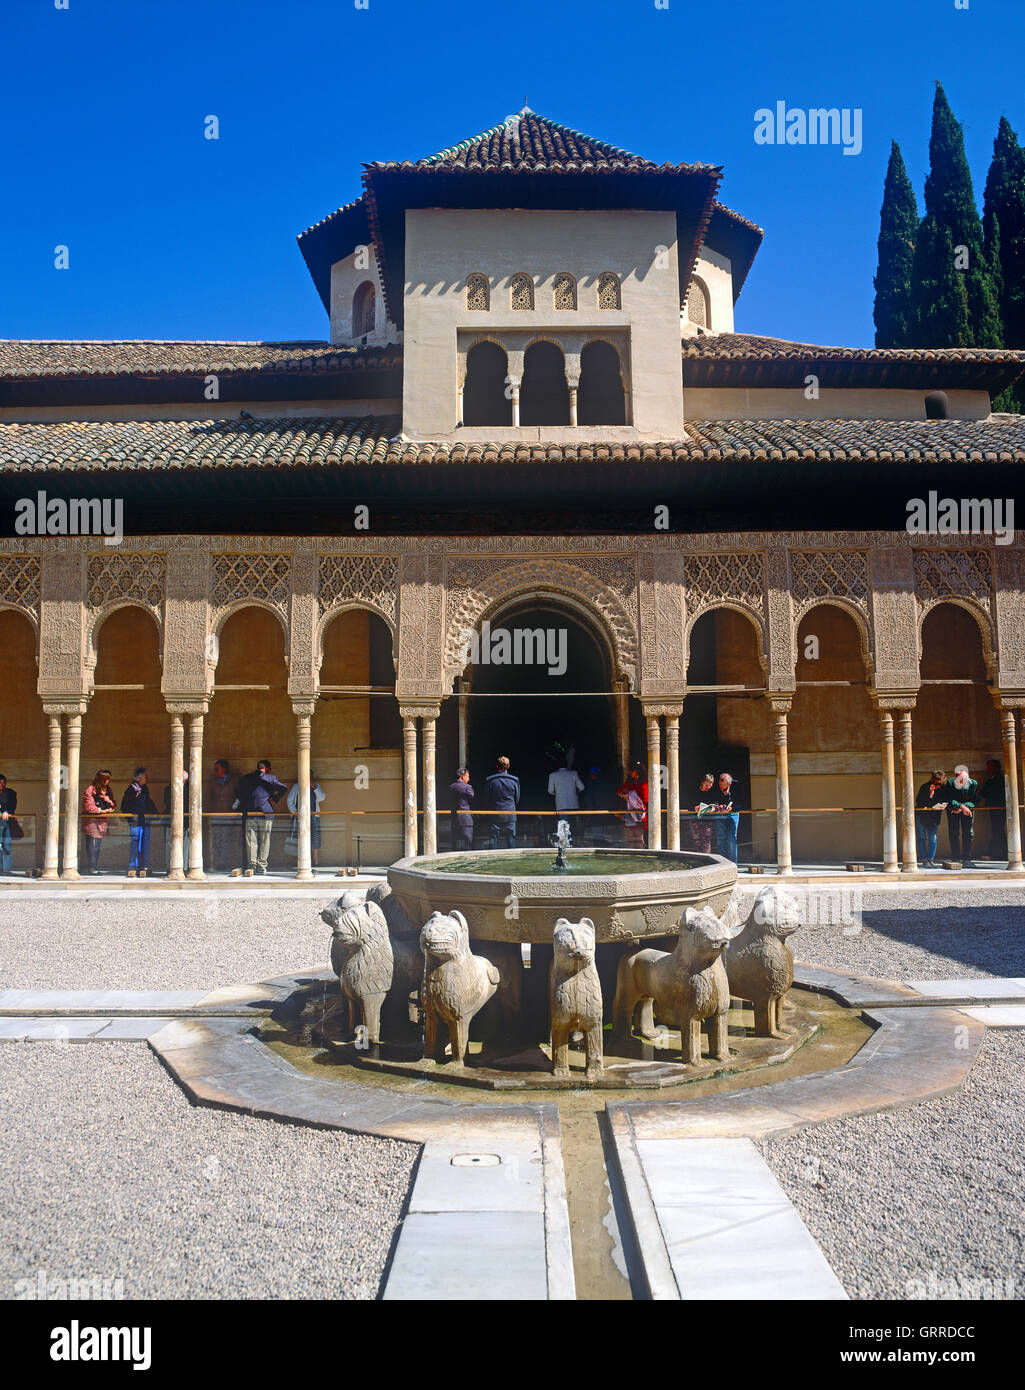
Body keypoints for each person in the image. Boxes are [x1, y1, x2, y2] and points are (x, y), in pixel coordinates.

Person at [235, 759, 287, 874]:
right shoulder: (270, 778)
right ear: (267, 768)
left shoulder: (247, 778)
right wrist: (274, 798)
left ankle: (251, 865)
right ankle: (261, 865)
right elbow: (284, 788)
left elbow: (240, 793)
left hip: (250, 812)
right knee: (265, 840)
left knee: (251, 841)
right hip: (266, 812)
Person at [121, 767, 158, 878]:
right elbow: (125, 806)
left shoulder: (144, 788)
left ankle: (143, 866)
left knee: (144, 843)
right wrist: (132, 817)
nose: (147, 779)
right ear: (139, 777)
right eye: (145, 777)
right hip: (136, 821)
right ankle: (133, 866)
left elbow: (148, 802)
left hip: (145, 820)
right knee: (135, 842)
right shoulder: (131, 789)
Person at [208, 759, 240, 873]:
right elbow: (210, 798)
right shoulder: (213, 782)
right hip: (216, 815)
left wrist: (234, 808)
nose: (215, 771)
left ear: (224, 769)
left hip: (230, 815)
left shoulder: (234, 780)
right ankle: (219, 864)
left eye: (217, 768)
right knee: (217, 840)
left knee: (229, 840)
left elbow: (239, 795)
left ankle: (230, 864)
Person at [286, 774, 326, 867]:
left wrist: (314, 787)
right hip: (300, 817)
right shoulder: (296, 786)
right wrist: (294, 811)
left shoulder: (316, 785)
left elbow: (322, 797)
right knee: (298, 839)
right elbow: (289, 800)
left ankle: (315, 862)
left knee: (315, 839)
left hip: (314, 816)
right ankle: (300, 862)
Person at [944, 764, 979, 868]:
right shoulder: (950, 783)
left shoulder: (974, 783)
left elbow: (975, 800)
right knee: (953, 832)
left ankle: (967, 858)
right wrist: (960, 807)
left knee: (968, 833)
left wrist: (965, 807)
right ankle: (955, 857)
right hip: (953, 810)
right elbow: (949, 798)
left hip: (968, 810)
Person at [81, 769, 115, 875]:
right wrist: (101, 810)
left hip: (103, 823)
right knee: (92, 846)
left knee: (97, 846)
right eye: (105, 779)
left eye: (109, 778)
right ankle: (92, 867)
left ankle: (94, 866)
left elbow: (114, 805)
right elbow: (89, 806)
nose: (108, 781)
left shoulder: (108, 790)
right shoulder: (91, 790)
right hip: (92, 822)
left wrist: (109, 802)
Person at [914, 769, 948, 867]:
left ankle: (931, 859)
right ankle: (924, 859)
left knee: (933, 838)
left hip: (934, 817)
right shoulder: (924, 787)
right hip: (922, 816)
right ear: (932, 780)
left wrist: (945, 804)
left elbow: (945, 799)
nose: (939, 786)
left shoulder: (942, 788)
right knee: (921, 837)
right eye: (937, 784)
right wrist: (930, 794)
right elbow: (919, 801)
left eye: (941, 784)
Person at [486, 756, 520, 849]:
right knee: (511, 839)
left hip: (495, 812)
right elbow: (517, 798)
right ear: (508, 766)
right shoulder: (514, 780)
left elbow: (487, 798)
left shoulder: (490, 780)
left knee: (493, 839)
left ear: (497, 766)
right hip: (510, 812)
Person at [547, 760, 584, 842]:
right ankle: (572, 843)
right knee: (572, 826)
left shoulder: (553, 775)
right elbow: (581, 787)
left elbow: (550, 791)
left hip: (561, 804)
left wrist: (558, 794)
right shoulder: (574, 773)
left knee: (564, 826)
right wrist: (575, 792)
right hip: (574, 804)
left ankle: (567, 845)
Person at [162, 770, 190, 874]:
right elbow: (168, 803)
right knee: (170, 845)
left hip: (186, 822)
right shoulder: (168, 789)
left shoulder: (189, 790)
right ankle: (170, 868)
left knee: (185, 845)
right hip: (171, 821)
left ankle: (184, 867)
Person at [978, 759, 1006, 862]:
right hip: (994, 809)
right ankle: (1002, 852)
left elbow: (986, 792)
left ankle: (995, 853)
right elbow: (983, 792)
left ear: (996, 768)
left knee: (997, 831)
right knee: (997, 831)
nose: (987, 769)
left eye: (990, 767)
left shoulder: (999, 779)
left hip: (999, 809)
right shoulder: (992, 779)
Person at [582, 765, 616, 845]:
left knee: (598, 828)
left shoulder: (593, 783)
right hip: (602, 809)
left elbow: (588, 798)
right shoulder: (604, 783)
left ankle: (599, 842)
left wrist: (589, 811)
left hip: (597, 810)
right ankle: (599, 841)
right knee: (599, 828)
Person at [617, 764, 648, 849]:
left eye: (632, 770)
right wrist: (624, 796)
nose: (630, 772)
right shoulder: (629, 781)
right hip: (629, 811)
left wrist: (631, 795)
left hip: (640, 812)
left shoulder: (644, 783)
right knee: (630, 838)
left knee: (639, 837)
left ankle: (641, 855)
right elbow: (619, 791)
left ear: (638, 771)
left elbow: (645, 798)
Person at [686, 773, 717, 854]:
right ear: (702, 782)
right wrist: (694, 808)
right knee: (696, 841)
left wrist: (712, 808)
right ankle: (698, 859)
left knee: (706, 841)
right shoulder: (693, 791)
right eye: (706, 784)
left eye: (710, 784)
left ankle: (707, 859)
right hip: (695, 820)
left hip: (707, 821)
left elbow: (716, 805)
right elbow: (687, 803)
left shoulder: (713, 792)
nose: (708, 787)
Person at [714, 772, 740, 863]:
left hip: (733, 814)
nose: (721, 787)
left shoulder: (737, 787)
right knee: (721, 838)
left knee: (731, 838)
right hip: (719, 814)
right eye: (720, 785)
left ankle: (733, 864)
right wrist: (719, 807)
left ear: (729, 784)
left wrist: (731, 808)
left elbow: (741, 803)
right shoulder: (716, 788)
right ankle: (723, 864)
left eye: (723, 786)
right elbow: (713, 800)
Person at [449, 767, 475, 852]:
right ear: (463, 777)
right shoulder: (467, 787)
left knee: (455, 844)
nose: (469, 778)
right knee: (468, 843)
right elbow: (473, 800)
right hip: (466, 819)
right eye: (467, 776)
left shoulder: (451, 787)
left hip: (454, 818)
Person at [0, 773, 18, 875]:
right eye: (0, 783)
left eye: (3, 783)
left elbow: (12, 805)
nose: (1, 785)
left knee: (6, 845)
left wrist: (6, 811)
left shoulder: (10, 793)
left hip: (6, 822)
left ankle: (6, 869)